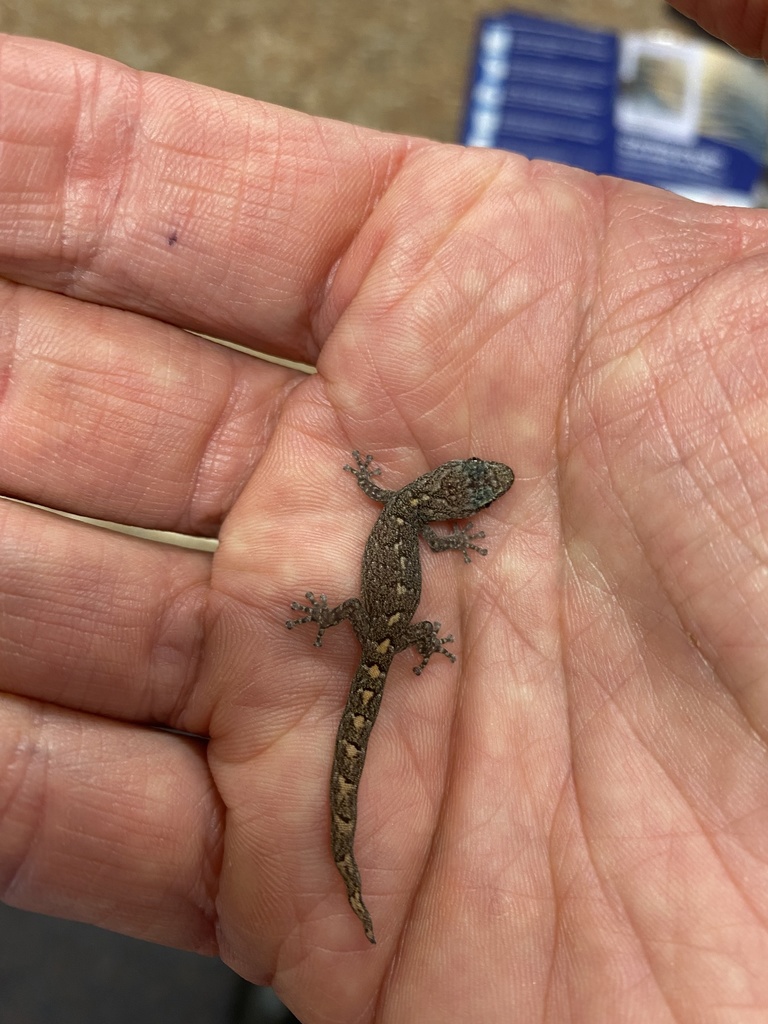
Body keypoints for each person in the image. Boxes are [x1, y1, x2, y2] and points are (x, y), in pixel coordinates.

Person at [1, 2, 768, 1020]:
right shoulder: (416, 520)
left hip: (376, 623)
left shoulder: (409, 503)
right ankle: (340, 874)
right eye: (479, 489)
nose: (482, 495)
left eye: (481, 491)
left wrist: (378, 611)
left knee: (361, 700)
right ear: (454, 492)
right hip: (380, 625)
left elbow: (386, 500)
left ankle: (348, 873)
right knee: (360, 702)